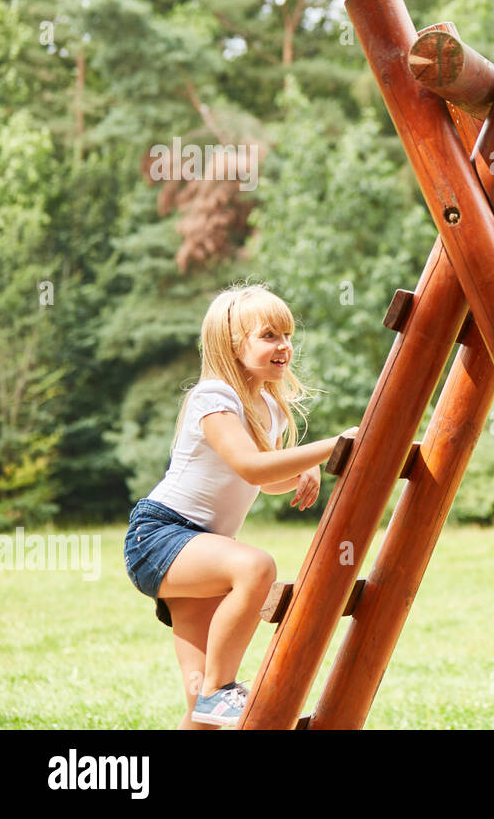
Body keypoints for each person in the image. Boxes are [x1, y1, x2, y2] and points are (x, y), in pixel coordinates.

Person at [122, 284, 357, 728]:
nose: (284, 345)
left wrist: (300, 472)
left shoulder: (265, 404)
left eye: (286, 335)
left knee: (200, 718)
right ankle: (219, 690)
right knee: (255, 568)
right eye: (269, 335)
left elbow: (264, 479)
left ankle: (209, 699)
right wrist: (333, 446)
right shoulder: (213, 397)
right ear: (232, 344)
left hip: (201, 547)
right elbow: (251, 467)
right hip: (159, 536)